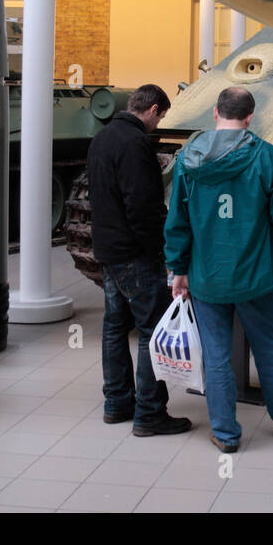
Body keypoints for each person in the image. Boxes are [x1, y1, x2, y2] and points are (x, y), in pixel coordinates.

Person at [165, 86, 273, 453]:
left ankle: (227, 434)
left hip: (206, 275)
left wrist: (178, 268)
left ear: (215, 113)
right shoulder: (266, 156)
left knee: (215, 355)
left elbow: (177, 221)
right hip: (255, 275)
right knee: (269, 349)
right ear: (249, 117)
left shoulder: (187, 160)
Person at [86, 83, 192, 436]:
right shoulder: (135, 144)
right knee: (151, 329)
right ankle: (149, 413)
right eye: (160, 117)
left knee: (115, 327)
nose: (158, 123)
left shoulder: (102, 138)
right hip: (134, 254)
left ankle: (117, 404)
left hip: (107, 249)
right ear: (153, 110)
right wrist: (159, 252)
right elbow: (143, 207)